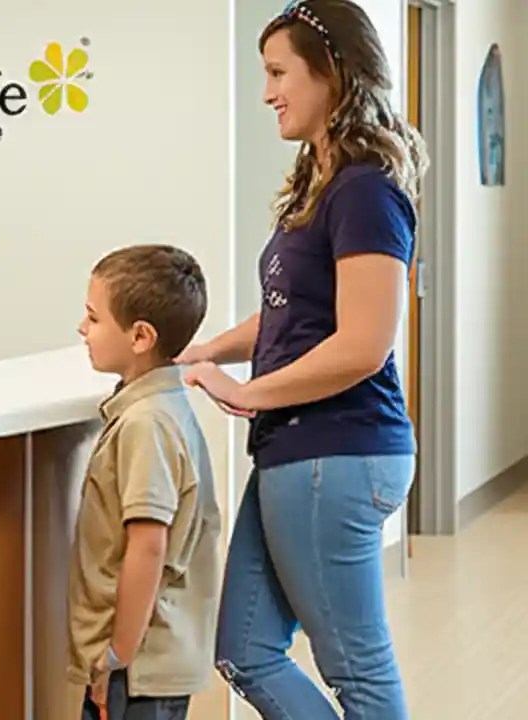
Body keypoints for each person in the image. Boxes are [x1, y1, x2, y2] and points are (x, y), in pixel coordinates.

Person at [178, 2, 427, 718]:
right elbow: (294, 314)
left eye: (279, 72)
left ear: (333, 74)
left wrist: (250, 394)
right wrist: (207, 350)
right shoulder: (323, 182)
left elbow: (361, 345)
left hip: (337, 453)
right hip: (301, 450)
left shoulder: (366, 190)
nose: (267, 92)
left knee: (357, 671)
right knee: (244, 649)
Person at [69, 245, 222, 720]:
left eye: (93, 319)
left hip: (136, 668)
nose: (82, 329)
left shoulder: (146, 424)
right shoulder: (159, 408)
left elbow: (148, 547)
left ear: (139, 336)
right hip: (142, 662)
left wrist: (117, 655)